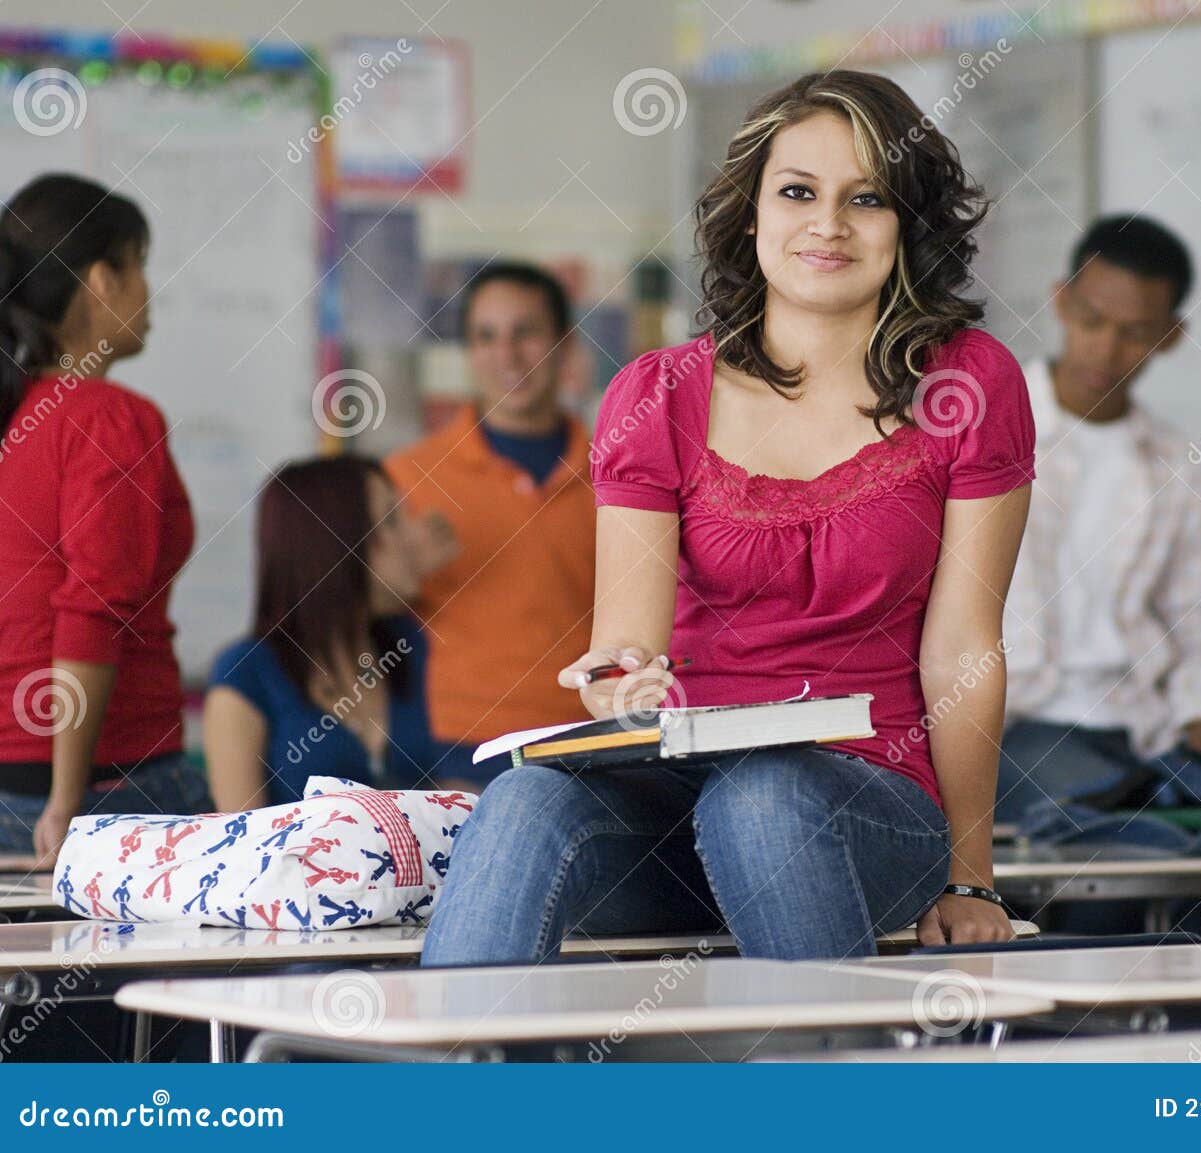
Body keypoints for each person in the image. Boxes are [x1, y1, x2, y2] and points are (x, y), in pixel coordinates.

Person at [423, 70, 1035, 965]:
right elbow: (625, 650)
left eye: (866, 198)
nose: (827, 223)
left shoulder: (969, 383)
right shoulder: (656, 394)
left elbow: (964, 649)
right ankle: (451, 1097)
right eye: (797, 192)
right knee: (523, 799)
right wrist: (619, 682)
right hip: (677, 795)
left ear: (907, 224)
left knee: (764, 793)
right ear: (751, 215)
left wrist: (971, 877)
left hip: (876, 807)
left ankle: (830, 1089)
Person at [997, 215, 1201, 822]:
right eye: (1092, 321)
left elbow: (1200, 623)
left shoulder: (1178, 465)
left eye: (1135, 333)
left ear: (1170, 337)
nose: (1105, 350)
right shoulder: (985, 427)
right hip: (1018, 722)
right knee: (1106, 826)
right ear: (1060, 302)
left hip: (1140, 725)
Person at [0, 174, 211, 863]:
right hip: (105, 786)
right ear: (101, 279)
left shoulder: (17, 412)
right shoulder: (109, 419)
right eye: (139, 266)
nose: (148, 293)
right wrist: (67, 803)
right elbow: (92, 607)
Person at [385, 262, 595, 757]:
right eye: (485, 336)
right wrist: (397, 578)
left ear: (565, 345)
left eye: (526, 333)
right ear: (469, 352)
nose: (507, 354)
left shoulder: (622, 474)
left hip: (595, 738)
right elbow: (348, 618)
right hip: (457, 744)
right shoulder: (408, 476)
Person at [204, 456, 473, 810]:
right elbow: (239, 842)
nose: (415, 532)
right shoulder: (246, 673)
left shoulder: (407, 643)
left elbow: (429, 787)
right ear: (335, 545)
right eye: (392, 520)